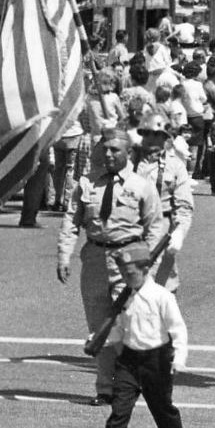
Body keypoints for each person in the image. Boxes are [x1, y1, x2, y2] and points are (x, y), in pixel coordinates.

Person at [58, 129, 168, 403]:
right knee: (100, 327)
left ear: (128, 153)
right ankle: (106, 389)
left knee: (130, 327)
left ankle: (132, 385)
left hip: (129, 260)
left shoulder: (142, 186)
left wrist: (147, 270)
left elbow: (155, 227)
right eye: (105, 149)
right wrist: (63, 255)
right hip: (95, 259)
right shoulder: (87, 184)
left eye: (114, 150)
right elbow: (72, 222)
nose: (108, 154)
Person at [91, 243, 192, 428]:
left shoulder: (161, 296)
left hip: (156, 360)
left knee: (163, 410)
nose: (127, 278)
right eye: (124, 274)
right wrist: (99, 339)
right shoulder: (125, 298)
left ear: (145, 270)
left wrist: (179, 359)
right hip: (129, 360)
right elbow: (119, 330)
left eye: (131, 274)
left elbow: (178, 330)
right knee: (119, 411)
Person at [131, 116, 194, 292]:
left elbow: (184, 205)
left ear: (165, 138)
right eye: (147, 133)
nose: (151, 138)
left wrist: (180, 232)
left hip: (161, 227)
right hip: (131, 226)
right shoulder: (129, 162)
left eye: (157, 134)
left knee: (163, 288)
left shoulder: (175, 166)